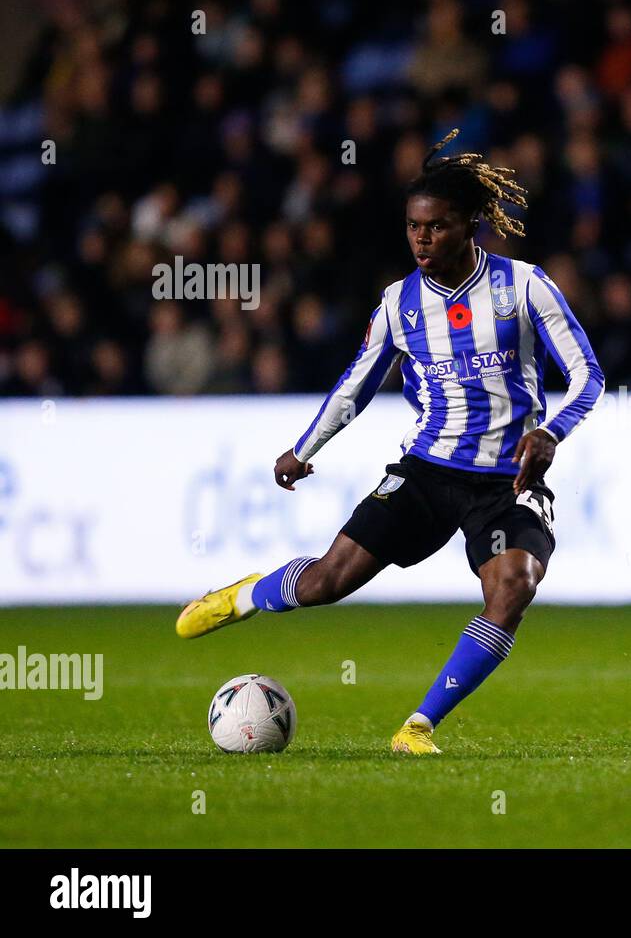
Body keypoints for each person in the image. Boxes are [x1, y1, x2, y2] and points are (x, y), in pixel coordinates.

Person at [176, 130, 605, 754]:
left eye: (436, 227)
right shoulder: (398, 303)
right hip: (427, 472)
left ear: (471, 226)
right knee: (327, 582)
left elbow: (589, 375)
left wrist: (550, 430)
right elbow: (356, 385)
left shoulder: (525, 287)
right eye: (413, 228)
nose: (422, 241)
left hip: (508, 481)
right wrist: (305, 448)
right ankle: (243, 596)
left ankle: (418, 726)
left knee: (513, 587)